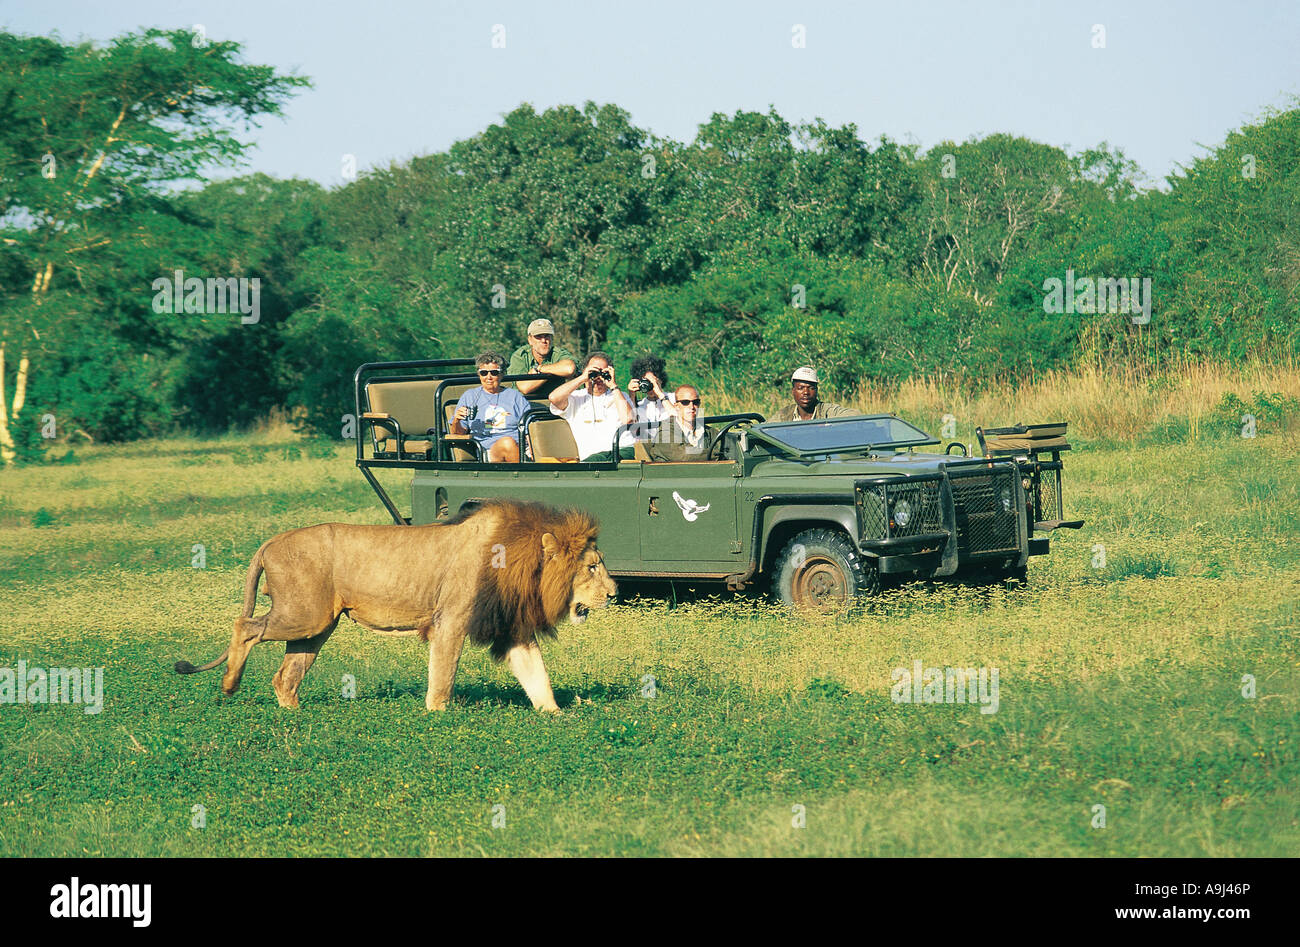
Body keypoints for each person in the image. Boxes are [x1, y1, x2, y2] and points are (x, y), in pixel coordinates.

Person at [549, 351, 635, 462]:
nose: (598, 378)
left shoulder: (619, 395)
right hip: (593, 461)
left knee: (596, 460)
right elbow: (554, 398)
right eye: (594, 372)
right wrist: (583, 378)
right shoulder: (576, 398)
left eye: (603, 372)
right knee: (594, 461)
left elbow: (627, 418)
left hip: (621, 452)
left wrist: (613, 385)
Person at [451, 352, 532, 462]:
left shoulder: (515, 396)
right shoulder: (470, 396)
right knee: (507, 443)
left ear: (502, 374)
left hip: (521, 447)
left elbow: (529, 428)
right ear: (479, 375)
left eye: (494, 373)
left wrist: (532, 448)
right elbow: (457, 434)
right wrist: (456, 420)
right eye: (484, 373)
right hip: (488, 450)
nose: (488, 377)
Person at [506, 318, 577, 397]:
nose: (543, 340)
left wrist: (540, 369)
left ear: (552, 338)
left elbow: (569, 369)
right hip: (526, 405)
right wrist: (554, 370)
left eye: (547, 336)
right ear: (530, 340)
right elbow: (524, 388)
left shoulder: (558, 354)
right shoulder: (520, 356)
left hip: (554, 406)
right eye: (538, 336)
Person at [646, 385, 717, 462]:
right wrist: (719, 454)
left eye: (695, 402)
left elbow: (727, 442)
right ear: (676, 406)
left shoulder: (707, 431)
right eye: (685, 402)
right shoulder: (665, 433)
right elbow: (686, 455)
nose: (692, 407)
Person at [620, 353, 675, 451]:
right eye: (645, 382)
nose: (649, 386)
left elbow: (677, 417)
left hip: (671, 448)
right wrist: (632, 395)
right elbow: (633, 428)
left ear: (660, 380)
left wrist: (659, 393)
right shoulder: (640, 405)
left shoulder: (672, 398)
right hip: (649, 451)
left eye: (651, 382)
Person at [769, 366, 858, 422]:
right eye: (800, 388)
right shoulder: (785, 415)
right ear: (793, 391)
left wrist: (829, 426)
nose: (806, 393)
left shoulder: (827, 411)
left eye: (811, 388)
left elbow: (856, 415)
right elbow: (763, 428)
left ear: (816, 390)